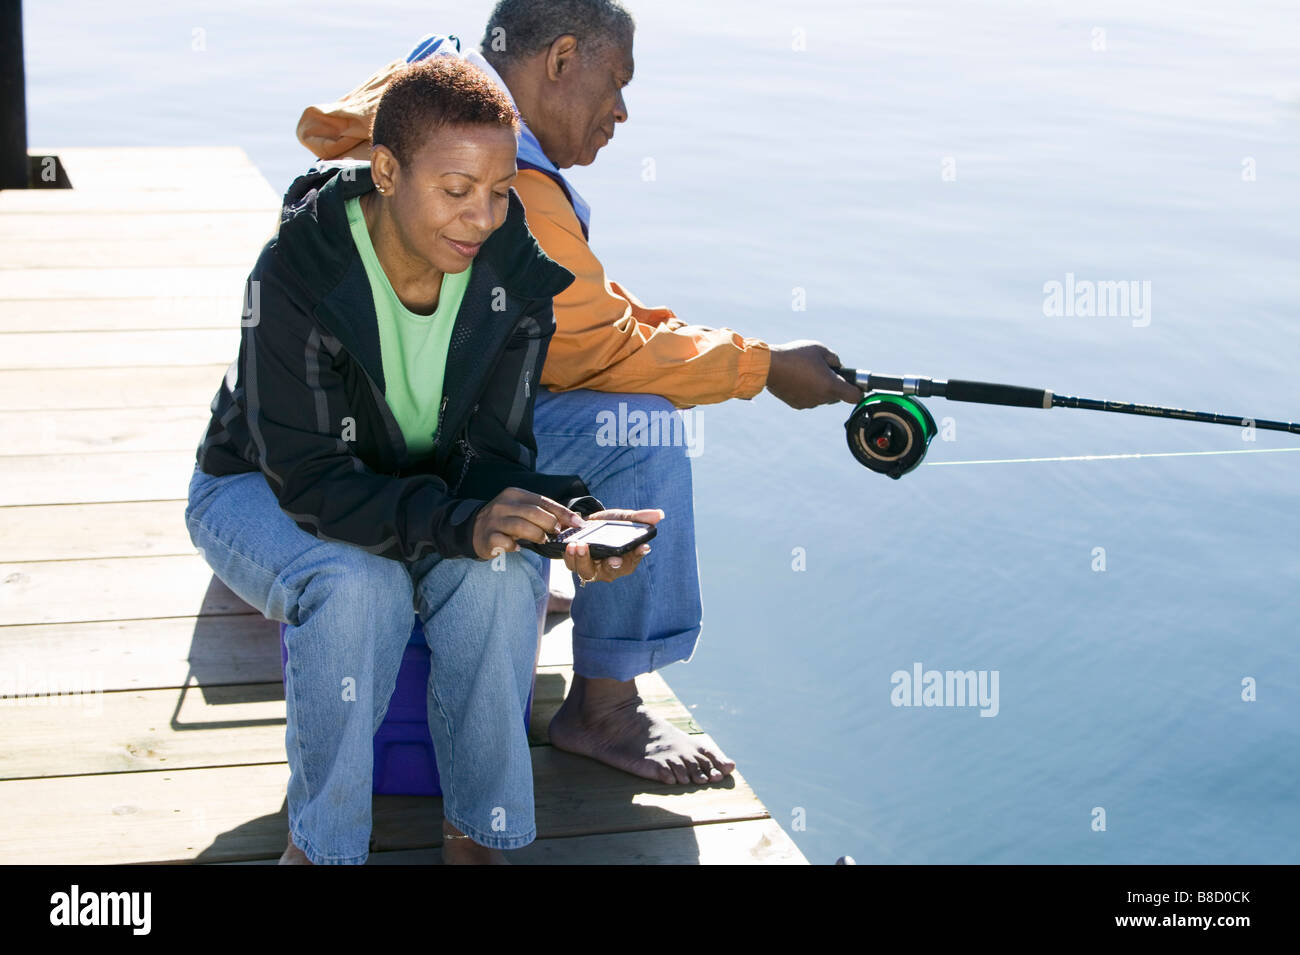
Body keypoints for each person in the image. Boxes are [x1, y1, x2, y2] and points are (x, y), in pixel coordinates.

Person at [296, 0, 862, 789]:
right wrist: (762, 369)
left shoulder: (426, 88)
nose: (621, 111)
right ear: (560, 59)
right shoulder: (507, 178)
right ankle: (605, 706)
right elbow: (593, 349)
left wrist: (729, 348)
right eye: (617, 81)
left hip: (347, 430)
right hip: (404, 450)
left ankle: (548, 551)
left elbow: (579, 310)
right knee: (642, 428)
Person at [187, 56, 660, 864]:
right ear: (386, 171)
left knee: (502, 571)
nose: (482, 217)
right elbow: (312, 481)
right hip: (258, 487)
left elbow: (491, 454)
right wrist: (459, 523)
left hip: (414, 486)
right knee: (356, 582)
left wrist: (566, 522)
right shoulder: (297, 272)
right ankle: (321, 847)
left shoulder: (512, 273)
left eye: (500, 190)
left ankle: (476, 838)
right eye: (456, 190)